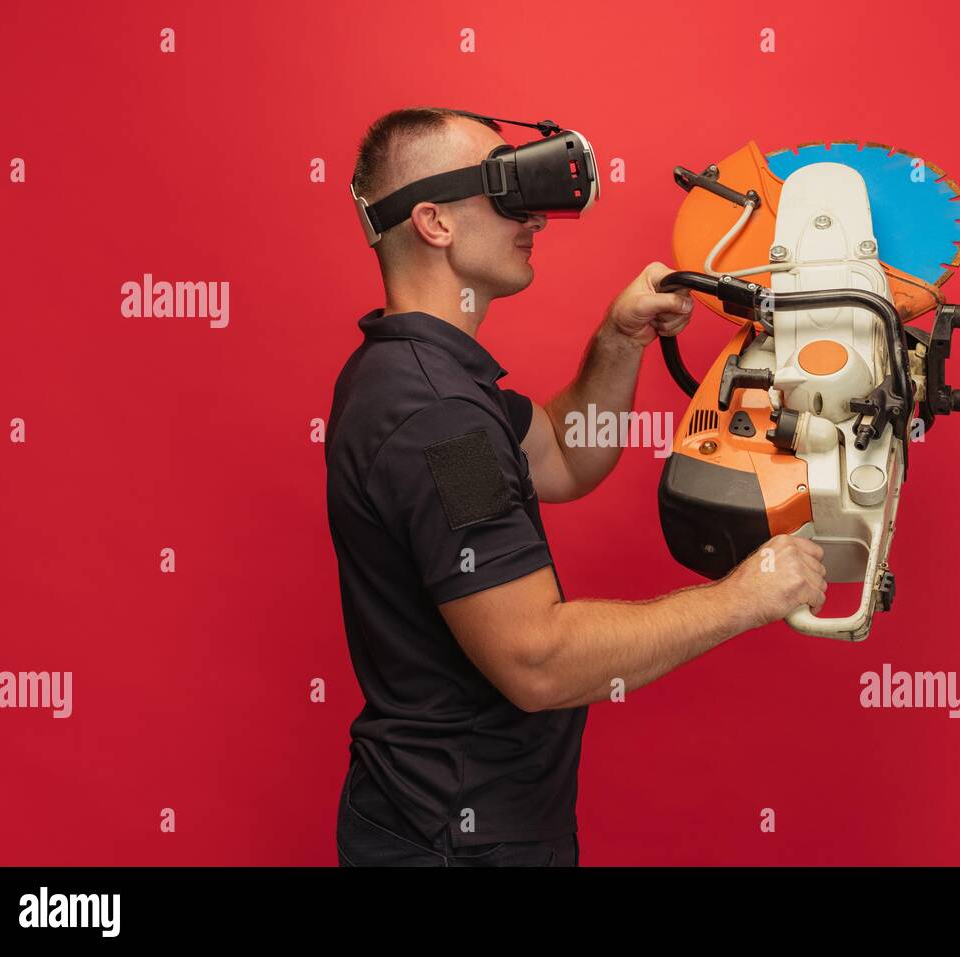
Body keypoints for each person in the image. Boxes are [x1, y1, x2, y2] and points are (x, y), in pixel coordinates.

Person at [325, 106, 827, 867]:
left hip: (456, 818)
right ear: (434, 222)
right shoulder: (437, 417)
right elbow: (537, 660)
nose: (535, 220)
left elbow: (562, 451)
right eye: (505, 190)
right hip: (454, 840)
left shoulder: (415, 376)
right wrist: (746, 595)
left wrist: (619, 338)